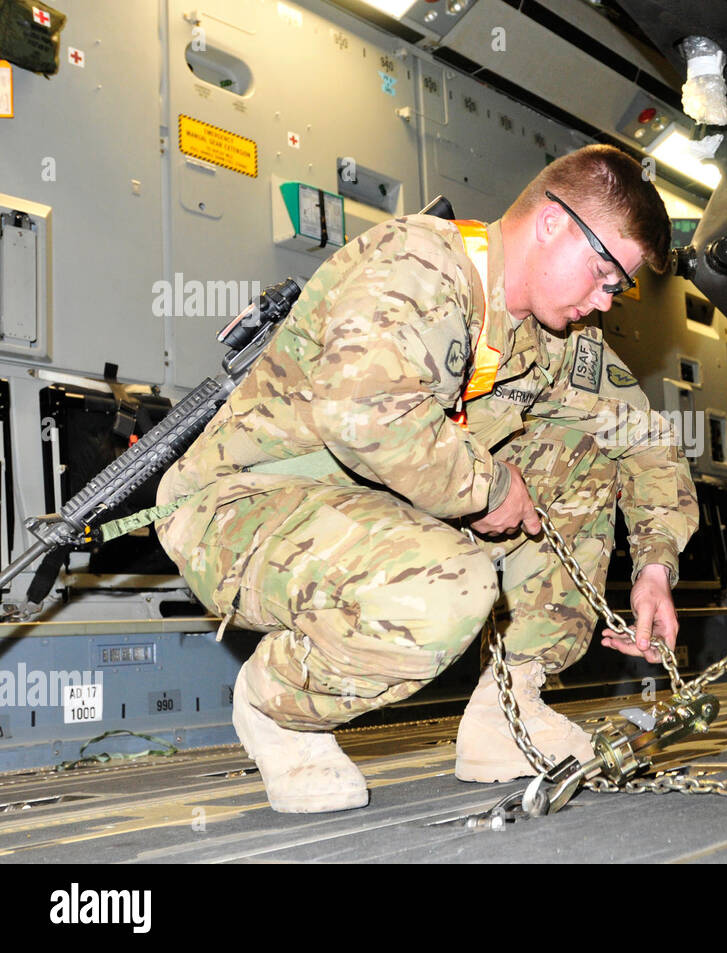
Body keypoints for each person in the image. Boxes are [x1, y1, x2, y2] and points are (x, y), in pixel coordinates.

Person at [155, 145, 699, 813]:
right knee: (457, 586)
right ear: (553, 222)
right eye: (603, 275)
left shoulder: (555, 341)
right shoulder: (417, 263)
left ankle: (509, 708)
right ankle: (279, 704)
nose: (602, 301)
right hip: (242, 505)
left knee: (579, 453)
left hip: (368, 513)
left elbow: (643, 440)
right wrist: (490, 487)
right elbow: (364, 413)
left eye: (617, 288)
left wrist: (655, 566)